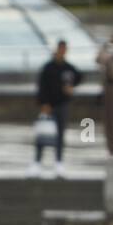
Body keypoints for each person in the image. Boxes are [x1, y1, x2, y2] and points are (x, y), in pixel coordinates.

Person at [33, 40, 82, 177]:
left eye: (64, 50)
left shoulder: (68, 68)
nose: (62, 52)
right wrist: (43, 104)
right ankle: (37, 163)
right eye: (60, 49)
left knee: (60, 135)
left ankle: (58, 162)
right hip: (49, 106)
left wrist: (72, 87)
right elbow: (41, 87)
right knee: (42, 135)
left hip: (62, 105)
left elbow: (79, 76)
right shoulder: (48, 67)